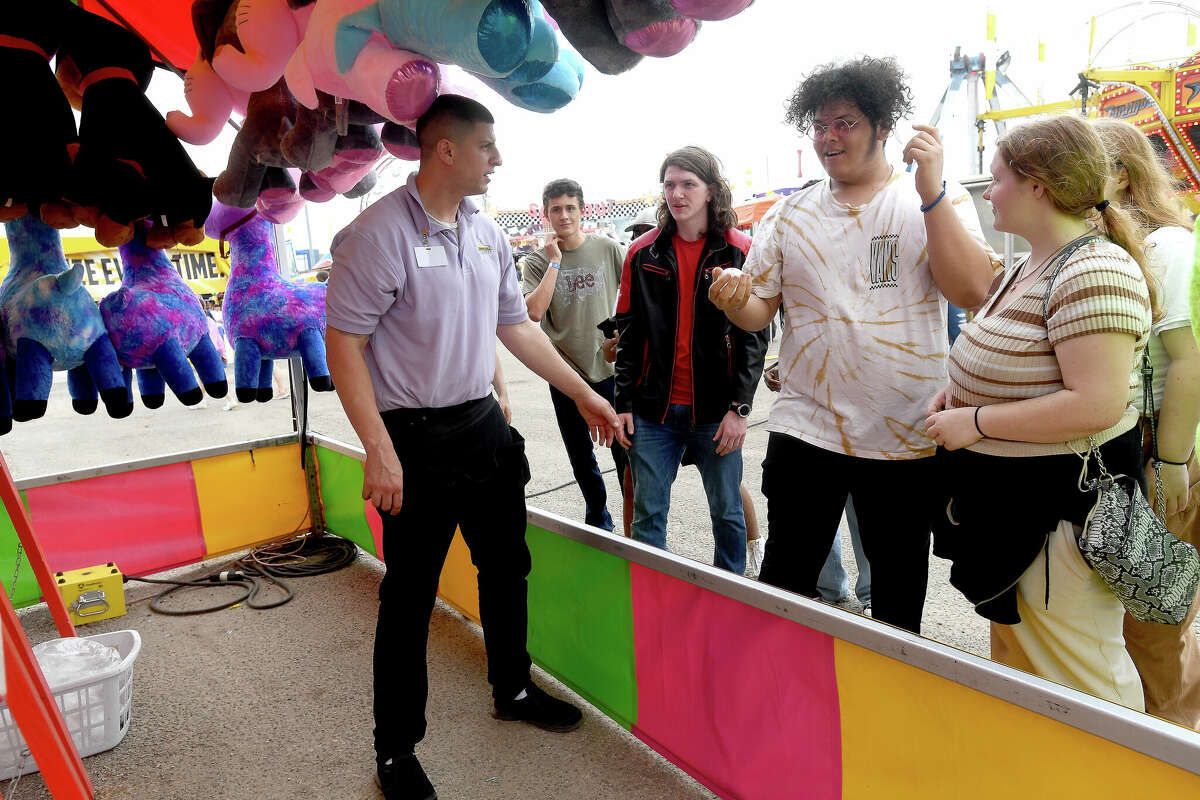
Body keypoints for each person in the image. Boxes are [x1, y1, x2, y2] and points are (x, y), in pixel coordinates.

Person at [324, 94, 620, 800]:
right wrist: (377, 447)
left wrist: (583, 392)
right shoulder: (378, 234)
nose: (498, 159)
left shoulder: (486, 232)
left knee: (506, 565)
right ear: (446, 150)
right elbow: (344, 344)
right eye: (489, 146)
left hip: (481, 427)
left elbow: (515, 327)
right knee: (409, 598)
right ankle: (395, 750)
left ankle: (511, 689)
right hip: (412, 439)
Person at [709, 56, 998, 633]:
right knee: (786, 583)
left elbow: (971, 288)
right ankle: (779, 698)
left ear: (882, 126)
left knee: (897, 598)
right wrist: (731, 298)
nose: (827, 138)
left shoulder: (930, 199)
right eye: (818, 126)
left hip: (904, 432)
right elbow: (757, 313)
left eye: (844, 123)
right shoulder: (791, 213)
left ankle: (887, 709)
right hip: (806, 426)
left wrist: (933, 192)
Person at [923, 114, 1155, 708]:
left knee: (1081, 676)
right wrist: (960, 393)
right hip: (1021, 513)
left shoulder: (1093, 269)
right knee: (1032, 663)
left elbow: (1096, 402)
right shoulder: (1031, 266)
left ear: (1037, 186)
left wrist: (972, 423)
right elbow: (1012, 360)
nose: (988, 192)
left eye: (997, 179)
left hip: (1060, 517)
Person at [614, 145, 768, 575]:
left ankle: (733, 596)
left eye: (688, 184)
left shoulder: (740, 251)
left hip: (715, 412)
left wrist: (739, 409)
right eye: (669, 185)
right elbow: (629, 332)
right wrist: (623, 403)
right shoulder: (642, 253)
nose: (677, 194)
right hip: (653, 411)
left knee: (727, 514)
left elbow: (753, 337)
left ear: (711, 191)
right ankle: (652, 597)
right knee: (648, 514)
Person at [1095, 117, 1200, 727]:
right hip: (1167, 447)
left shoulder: (1160, 249)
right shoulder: (1160, 244)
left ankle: (1172, 753)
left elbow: (1188, 362)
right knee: (1165, 613)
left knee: (1154, 624)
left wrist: (1168, 462)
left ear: (1123, 176)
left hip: (1169, 448)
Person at [522, 178, 628, 531]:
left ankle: (634, 519)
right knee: (581, 454)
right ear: (546, 214)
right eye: (556, 209)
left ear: (582, 210)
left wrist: (623, 334)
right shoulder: (536, 262)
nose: (564, 215)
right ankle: (597, 512)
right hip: (565, 374)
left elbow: (637, 290)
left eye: (570, 207)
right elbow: (533, 313)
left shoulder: (608, 248)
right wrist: (554, 261)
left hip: (611, 369)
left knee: (624, 449)